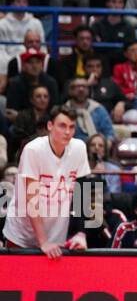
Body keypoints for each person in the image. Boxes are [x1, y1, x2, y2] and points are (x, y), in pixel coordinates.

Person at [2, 108, 88, 256]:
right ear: (50, 126)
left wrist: (81, 233)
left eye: (72, 127)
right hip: (22, 234)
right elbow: (31, 199)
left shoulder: (79, 148)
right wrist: (43, 241)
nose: (67, 132)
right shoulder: (33, 150)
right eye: (62, 126)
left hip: (55, 235)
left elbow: (85, 191)